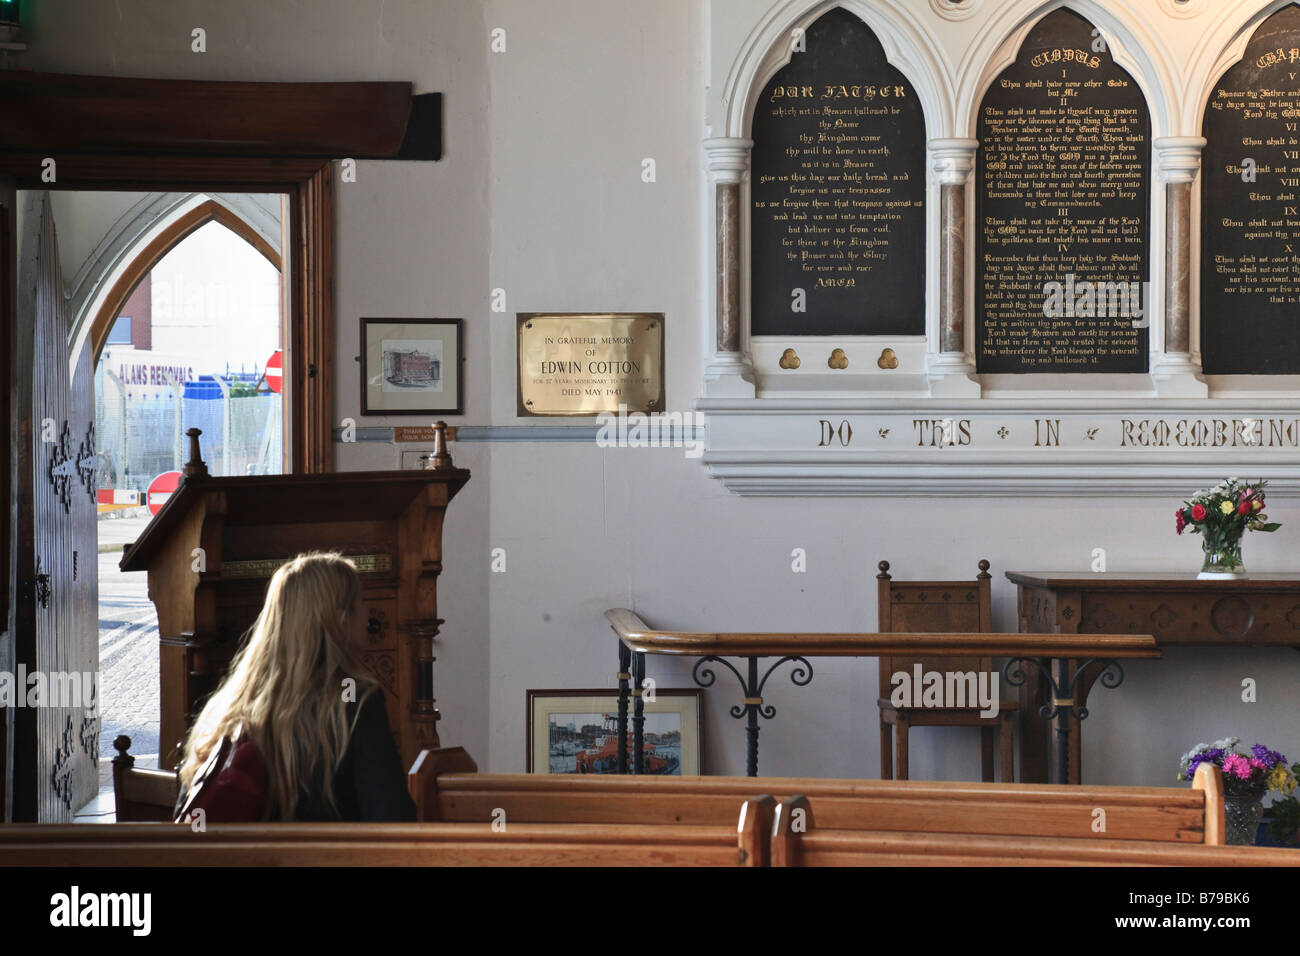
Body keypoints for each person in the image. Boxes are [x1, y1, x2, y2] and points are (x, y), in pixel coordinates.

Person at [176, 552, 416, 822]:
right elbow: (392, 819)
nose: (368, 611)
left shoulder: (227, 704)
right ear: (340, 619)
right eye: (361, 601)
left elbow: (190, 808)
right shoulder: (356, 702)